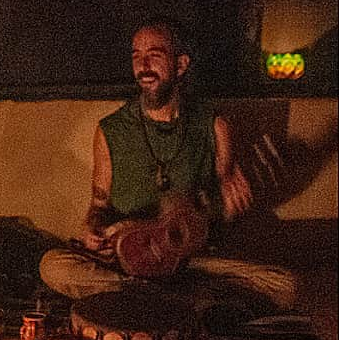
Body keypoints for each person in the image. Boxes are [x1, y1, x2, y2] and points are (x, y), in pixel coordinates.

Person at [39, 18, 297, 319]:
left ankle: (146, 299)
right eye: (136, 55)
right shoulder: (111, 130)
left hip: (188, 259)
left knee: (282, 284)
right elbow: (99, 206)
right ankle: (171, 300)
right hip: (127, 259)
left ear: (181, 64)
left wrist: (231, 205)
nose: (143, 66)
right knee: (54, 266)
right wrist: (92, 232)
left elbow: (222, 207)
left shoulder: (214, 127)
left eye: (155, 55)